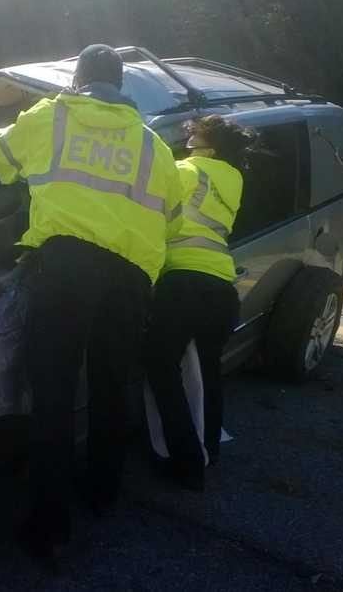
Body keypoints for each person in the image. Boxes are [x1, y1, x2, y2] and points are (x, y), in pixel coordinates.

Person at [0, 44, 183, 558]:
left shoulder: (53, 115)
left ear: (77, 78)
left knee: (53, 391)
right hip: (132, 279)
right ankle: (101, 494)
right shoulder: (153, 146)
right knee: (110, 385)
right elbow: (175, 214)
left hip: (68, 268)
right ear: (121, 87)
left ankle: (49, 527)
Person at [143, 115, 250, 490]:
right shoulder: (233, 178)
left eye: (192, 140)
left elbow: (150, 196)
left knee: (159, 366)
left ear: (210, 148)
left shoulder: (186, 171)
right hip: (222, 286)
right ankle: (208, 449)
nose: (186, 145)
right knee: (207, 370)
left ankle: (186, 460)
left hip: (184, 282)